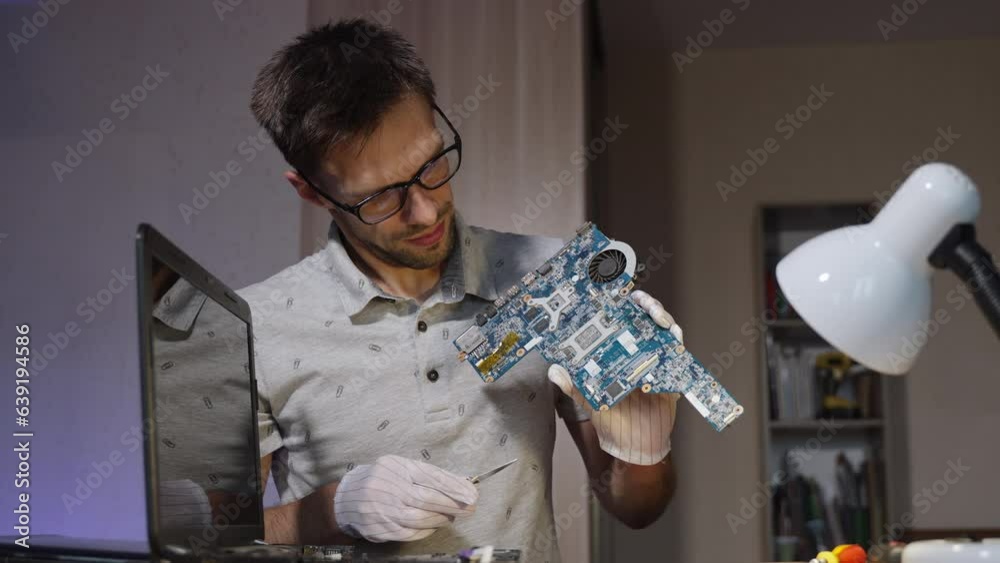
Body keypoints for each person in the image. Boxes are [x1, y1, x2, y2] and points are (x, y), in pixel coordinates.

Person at [238, 18, 684, 562]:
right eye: (378, 198)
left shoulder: (554, 278)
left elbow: (636, 510)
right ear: (311, 192)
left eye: (431, 165)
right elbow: (207, 544)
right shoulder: (254, 326)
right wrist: (329, 511)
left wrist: (643, 438)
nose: (424, 211)